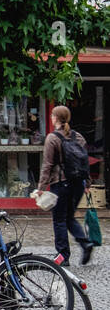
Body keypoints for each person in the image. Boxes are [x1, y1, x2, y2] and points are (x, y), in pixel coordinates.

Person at [38, 105, 93, 266]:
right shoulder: (79, 137)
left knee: (59, 220)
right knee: (69, 217)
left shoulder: (52, 138)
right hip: (78, 184)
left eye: (52, 115)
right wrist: (87, 183)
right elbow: (85, 162)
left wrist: (41, 188)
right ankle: (85, 243)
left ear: (55, 118)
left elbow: (47, 165)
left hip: (61, 183)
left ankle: (63, 256)